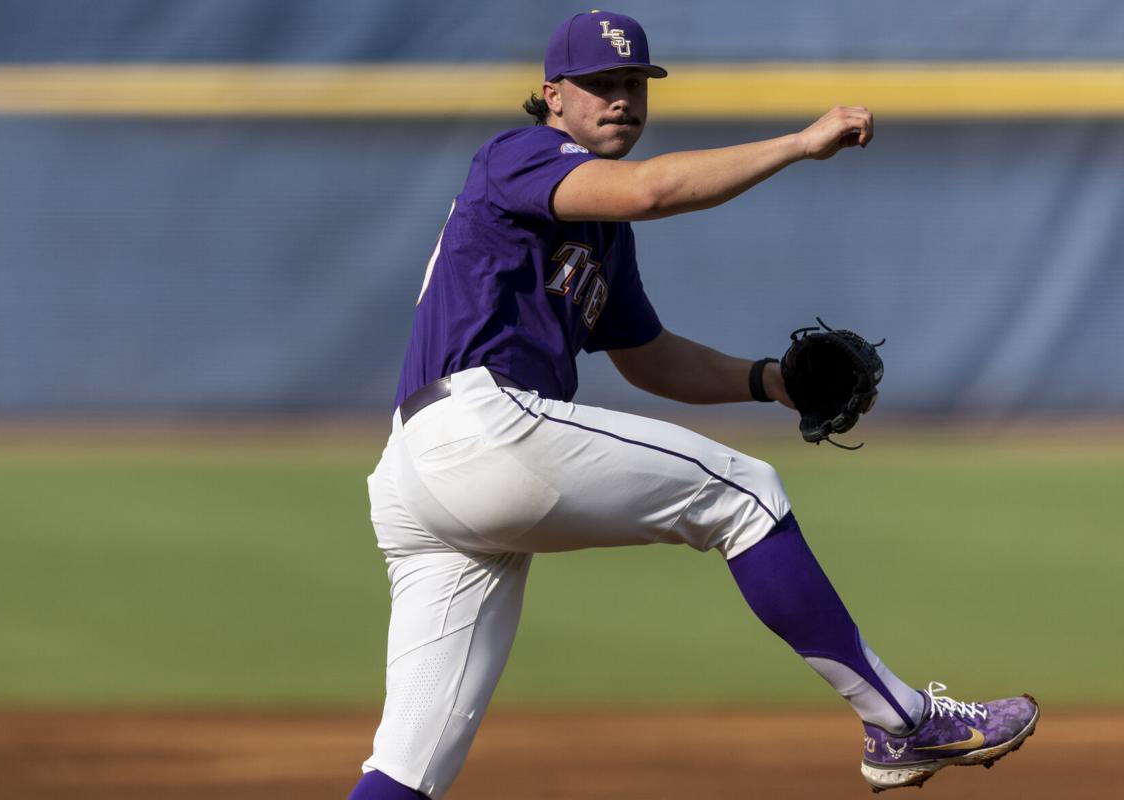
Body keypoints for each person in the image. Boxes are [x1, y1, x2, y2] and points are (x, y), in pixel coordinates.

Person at [348, 11, 1037, 799]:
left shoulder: (601, 230)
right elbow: (653, 188)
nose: (621, 100)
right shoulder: (522, 153)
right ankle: (901, 721)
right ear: (552, 95)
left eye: (634, 84)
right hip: (477, 429)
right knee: (746, 493)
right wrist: (795, 144)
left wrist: (768, 380)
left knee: (407, 769)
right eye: (600, 84)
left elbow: (649, 358)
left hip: (428, 475)